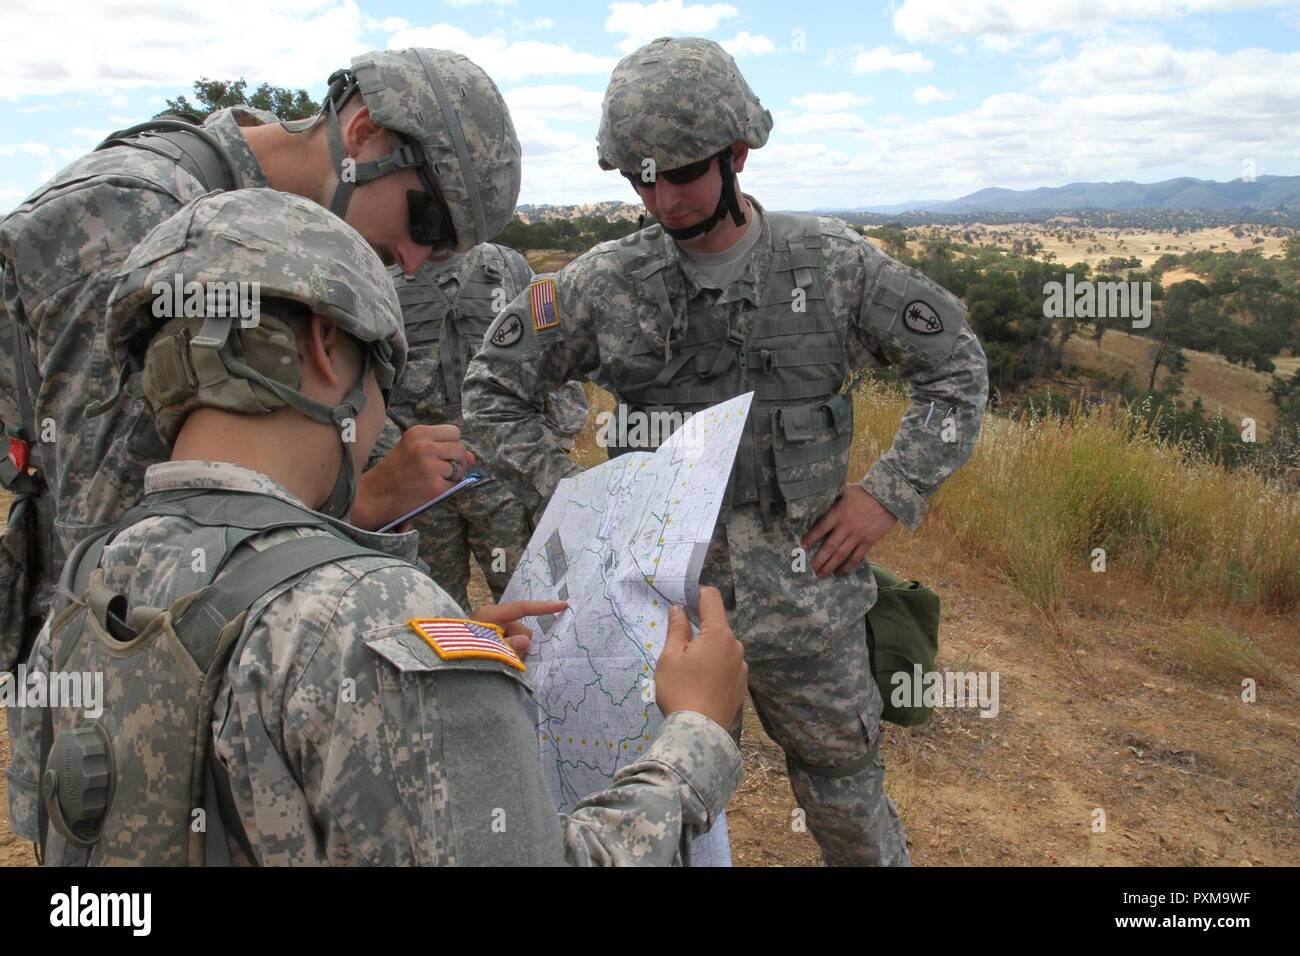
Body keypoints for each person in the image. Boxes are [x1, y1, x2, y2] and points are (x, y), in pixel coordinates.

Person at [6, 188, 746, 866]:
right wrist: (695, 740)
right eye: (379, 379)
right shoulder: (362, 614)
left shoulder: (86, 583)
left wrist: (437, 668)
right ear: (328, 348)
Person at [463, 37, 990, 866]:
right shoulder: (604, 282)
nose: (662, 198)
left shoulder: (834, 264)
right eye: (641, 178)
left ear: (736, 154)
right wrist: (579, 497)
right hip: (664, 611)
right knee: (670, 814)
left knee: (850, 802)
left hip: (810, 601)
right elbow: (492, 389)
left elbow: (957, 372)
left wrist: (890, 492)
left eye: (681, 174)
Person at [0, 47, 518, 672]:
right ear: (364, 134)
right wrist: (367, 501)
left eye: (440, 254)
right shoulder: (133, 216)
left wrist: (421, 629)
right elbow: (128, 553)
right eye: (426, 220)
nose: (411, 261)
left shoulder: (282, 233)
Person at [383, 244, 588, 607]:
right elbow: (371, 383)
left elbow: (555, 359)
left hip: (503, 476)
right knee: (434, 604)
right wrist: (392, 466)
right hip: (425, 488)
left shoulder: (512, 269)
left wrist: (554, 443)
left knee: (524, 595)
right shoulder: (383, 281)